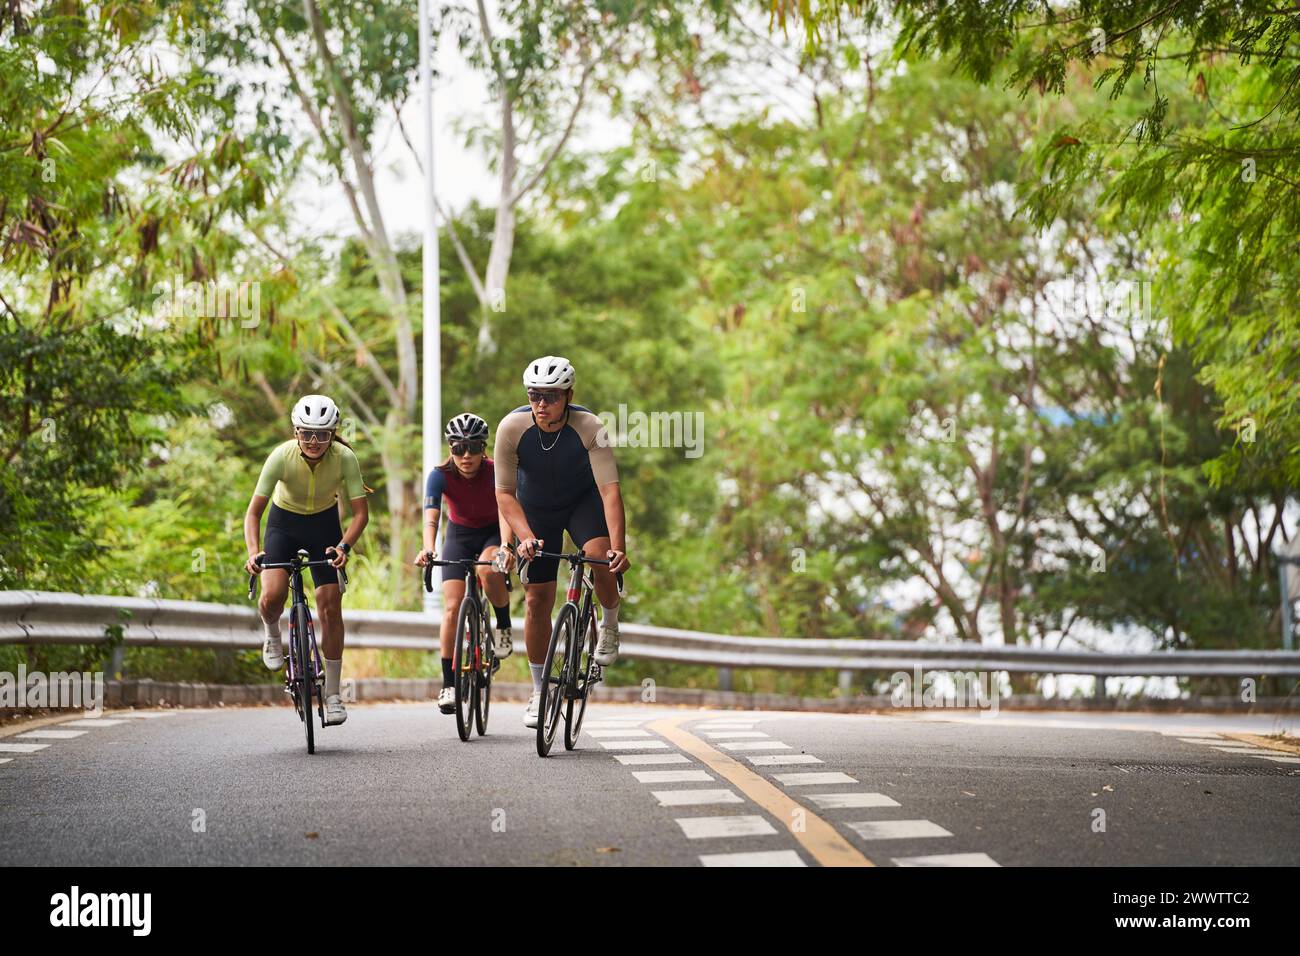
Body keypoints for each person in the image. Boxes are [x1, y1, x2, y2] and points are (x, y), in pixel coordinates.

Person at [494, 356, 629, 728]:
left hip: (581, 503)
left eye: (551, 396)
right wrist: (523, 538)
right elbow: (504, 495)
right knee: (537, 599)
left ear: (568, 396)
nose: (541, 404)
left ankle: (611, 622)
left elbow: (610, 492)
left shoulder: (590, 426)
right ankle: (540, 692)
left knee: (600, 557)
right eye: (535, 395)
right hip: (535, 511)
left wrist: (619, 548)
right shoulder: (511, 428)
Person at [244, 395, 369, 727]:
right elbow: (253, 513)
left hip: (324, 528)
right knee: (272, 597)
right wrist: (253, 551)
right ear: (295, 431)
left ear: (332, 434)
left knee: (330, 606)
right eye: (306, 433)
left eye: (322, 434)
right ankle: (272, 634)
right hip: (283, 524)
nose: (314, 442)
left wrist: (344, 546)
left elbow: (360, 514)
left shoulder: (345, 458)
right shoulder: (280, 457)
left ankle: (332, 693)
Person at [414, 413, 515, 715]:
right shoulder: (439, 475)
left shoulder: (497, 472)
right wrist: (429, 548)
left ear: (484, 448)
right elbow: (432, 516)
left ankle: (504, 624)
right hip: (458, 534)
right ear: (450, 448)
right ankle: (448, 684)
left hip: (493, 532)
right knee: (451, 607)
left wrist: (506, 547)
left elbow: (505, 511)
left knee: (487, 568)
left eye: (473, 447)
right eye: (458, 448)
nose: (466, 455)